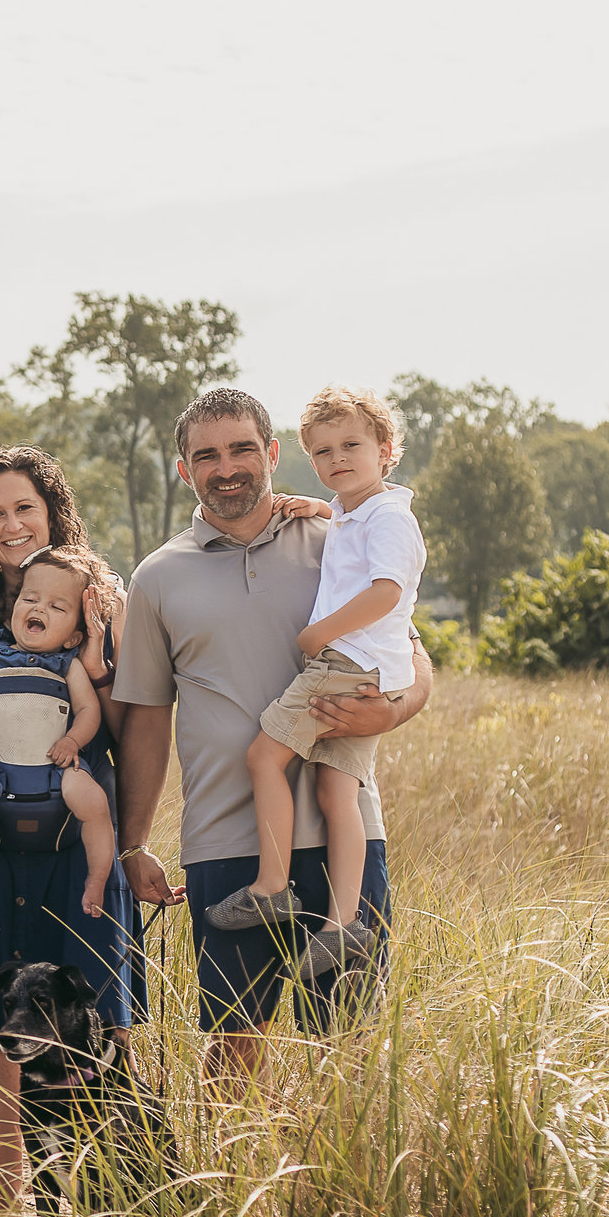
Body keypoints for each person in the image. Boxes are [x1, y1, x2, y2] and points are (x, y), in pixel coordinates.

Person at [114, 387, 436, 1082]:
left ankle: (331, 1195)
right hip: (226, 844)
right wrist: (132, 841)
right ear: (183, 471)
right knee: (233, 1045)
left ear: (270, 454)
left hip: (342, 832)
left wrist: (395, 710)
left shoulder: (339, 536)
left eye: (239, 449)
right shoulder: (157, 578)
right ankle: (232, 1188)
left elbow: (411, 653)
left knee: (345, 1050)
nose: (224, 467)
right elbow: (143, 716)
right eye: (205, 456)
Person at [0, 448, 145, 1196]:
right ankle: (11, 1193)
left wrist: (97, 653)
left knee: (91, 1007)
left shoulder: (97, 599)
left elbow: (123, 724)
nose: (11, 525)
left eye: (25, 509)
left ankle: (98, 1182)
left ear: (51, 513)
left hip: (71, 838)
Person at [208, 386, 424, 982]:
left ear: (386, 449)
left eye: (352, 445)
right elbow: (354, 530)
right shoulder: (360, 512)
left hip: (344, 664)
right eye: (324, 451)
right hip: (368, 672)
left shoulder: (391, 520)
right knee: (336, 794)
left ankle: (272, 885)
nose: (338, 460)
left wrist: (315, 635)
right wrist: (322, 509)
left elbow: (386, 591)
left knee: (262, 757)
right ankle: (342, 925)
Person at [0, 548, 116, 924]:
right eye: (30, 599)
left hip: (56, 766)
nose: (39, 609)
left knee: (95, 803)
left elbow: (89, 711)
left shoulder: (68, 665)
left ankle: (97, 880)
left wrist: (74, 742)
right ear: (14, 606)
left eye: (57, 607)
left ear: (73, 637)